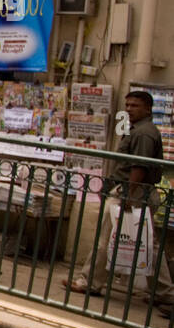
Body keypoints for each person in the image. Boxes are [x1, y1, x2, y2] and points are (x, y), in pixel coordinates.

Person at [62, 90, 174, 307]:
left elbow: (138, 166)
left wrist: (128, 196)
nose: (130, 109)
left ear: (148, 109)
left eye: (135, 106)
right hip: (134, 192)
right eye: (128, 105)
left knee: (109, 240)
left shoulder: (144, 133)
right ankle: (165, 292)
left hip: (133, 193)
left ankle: (90, 282)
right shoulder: (137, 129)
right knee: (147, 244)